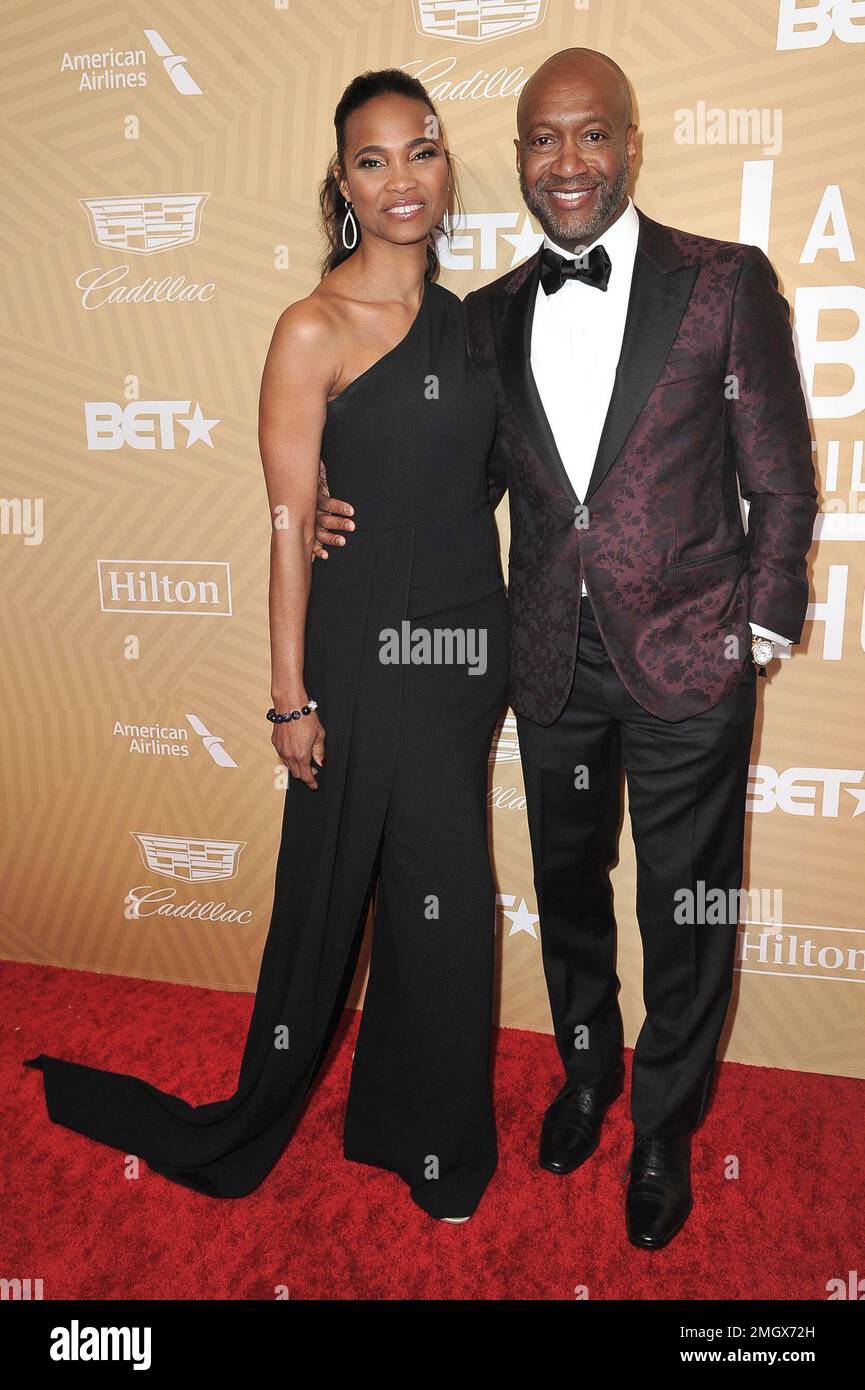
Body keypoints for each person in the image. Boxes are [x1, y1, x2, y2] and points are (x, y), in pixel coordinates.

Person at [314, 48, 818, 1248]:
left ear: (631, 144)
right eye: (543, 140)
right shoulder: (486, 319)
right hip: (547, 660)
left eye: (591, 136)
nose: (567, 162)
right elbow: (459, 477)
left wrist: (753, 633)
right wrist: (342, 496)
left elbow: (782, 480)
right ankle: (587, 1072)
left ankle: (662, 1125)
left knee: (685, 907)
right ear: (525, 159)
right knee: (570, 892)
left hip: (691, 660)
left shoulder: (723, 281)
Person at [22, 69, 509, 1223]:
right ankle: (319, 1127)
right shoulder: (313, 327)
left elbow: (484, 477)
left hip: (462, 646)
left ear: (445, 171)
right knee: (344, 886)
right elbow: (291, 523)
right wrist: (289, 697)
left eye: (420, 152)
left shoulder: (475, 324)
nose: (401, 179)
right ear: (342, 183)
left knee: (442, 895)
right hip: (359, 644)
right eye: (372, 159)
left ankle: (407, 1128)